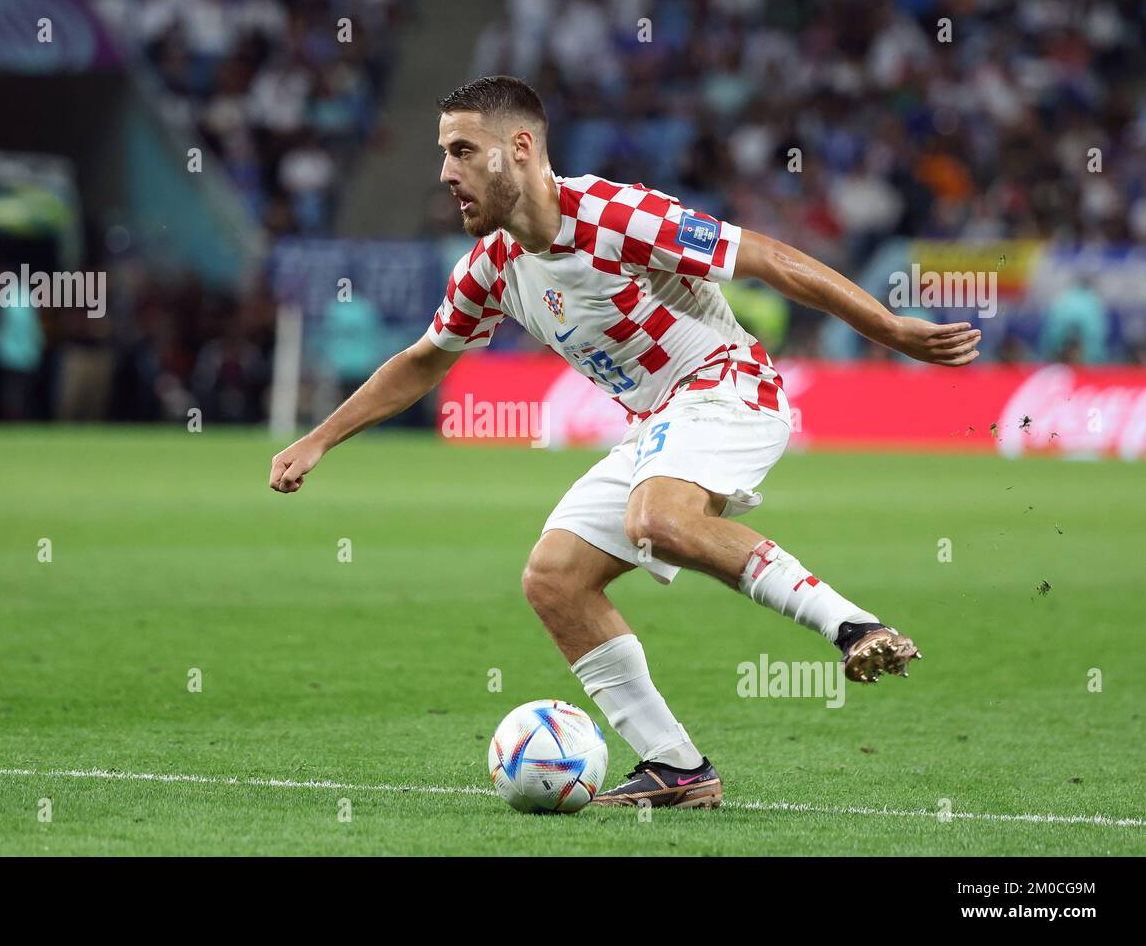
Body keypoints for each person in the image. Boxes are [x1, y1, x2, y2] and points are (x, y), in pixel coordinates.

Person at [268, 77, 981, 808]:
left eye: (461, 151)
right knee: (554, 578)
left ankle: (852, 625)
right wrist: (318, 441)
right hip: (660, 424)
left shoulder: (617, 215)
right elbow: (425, 358)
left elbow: (764, 257)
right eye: (443, 153)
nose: (446, 172)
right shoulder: (491, 268)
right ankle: (677, 768)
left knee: (659, 520)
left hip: (729, 386)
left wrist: (891, 331)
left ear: (519, 149)